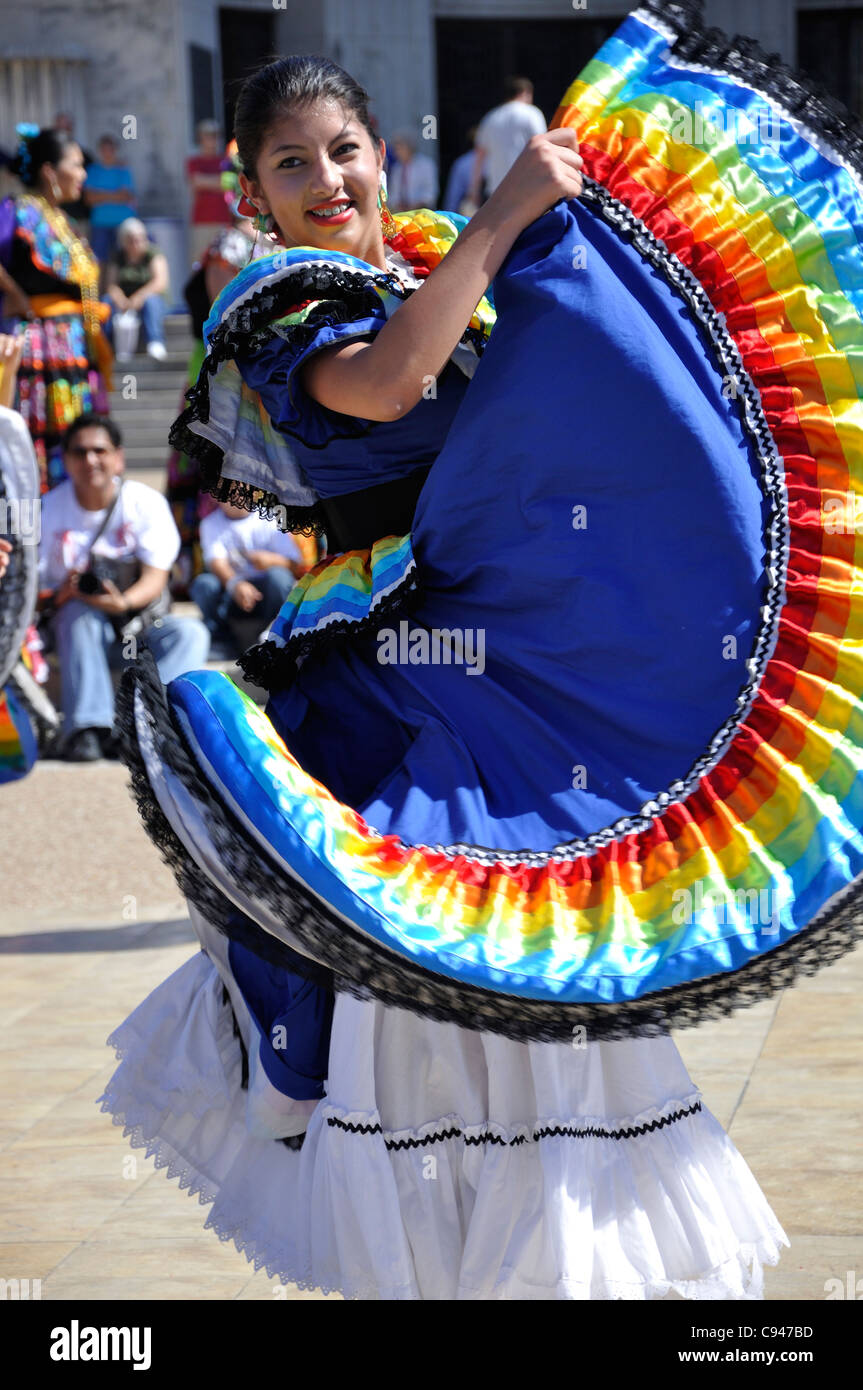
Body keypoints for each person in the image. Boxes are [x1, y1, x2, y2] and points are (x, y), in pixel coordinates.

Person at [100, 6, 863, 1298]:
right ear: (253, 188)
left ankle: (545, 1260)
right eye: (291, 162)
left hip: (504, 636)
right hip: (406, 667)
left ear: (378, 153)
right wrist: (506, 221)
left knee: (535, 952)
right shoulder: (282, 300)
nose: (327, 178)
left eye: (342, 149)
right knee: (450, 935)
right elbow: (389, 386)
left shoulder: (420, 257)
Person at [37, 412, 210, 761]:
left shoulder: (145, 503)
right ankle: (89, 728)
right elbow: (33, 593)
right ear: (66, 460)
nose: (91, 460)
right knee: (78, 614)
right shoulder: (47, 509)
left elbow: (155, 578)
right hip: (76, 636)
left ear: (118, 457)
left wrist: (122, 601)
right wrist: (64, 594)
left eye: (100, 451)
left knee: (191, 633)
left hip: (136, 627)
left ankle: (153, 725)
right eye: (79, 452)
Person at [0, 126, 112, 491]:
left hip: (74, 346)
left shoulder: (63, 220)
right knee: (38, 433)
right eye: (77, 165)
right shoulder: (16, 211)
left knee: (77, 434)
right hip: (38, 349)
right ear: (50, 171)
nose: (83, 175)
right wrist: (13, 292)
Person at [191, 501, 306, 659]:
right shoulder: (210, 523)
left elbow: (294, 563)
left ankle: (275, 635)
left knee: (279, 577)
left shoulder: (271, 518)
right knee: (204, 584)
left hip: (267, 593)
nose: (235, 494)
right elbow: (216, 562)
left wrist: (271, 560)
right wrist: (235, 584)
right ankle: (221, 641)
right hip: (231, 594)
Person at [468, 76, 547, 208]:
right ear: (525, 93)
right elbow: (543, 147)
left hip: (495, 191)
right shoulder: (532, 114)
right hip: (526, 188)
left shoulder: (491, 117)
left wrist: (473, 191)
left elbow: (479, 158)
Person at [103, 218, 169, 361]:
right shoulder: (117, 257)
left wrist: (139, 297)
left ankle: (155, 341)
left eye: (140, 239)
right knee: (106, 302)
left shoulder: (153, 254)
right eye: (132, 240)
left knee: (151, 301)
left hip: (150, 299)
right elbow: (111, 285)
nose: (136, 243)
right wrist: (120, 299)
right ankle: (105, 345)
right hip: (125, 302)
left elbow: (159, 282)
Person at [83, 135, 137, 266]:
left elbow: (125, 197)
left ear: (115, 150)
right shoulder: (93, 170)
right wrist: (114, 194)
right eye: (104, 149)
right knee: (98, 263)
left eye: (110, 149)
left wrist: (100, 195)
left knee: (123, 263)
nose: (107, 152)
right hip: (100, 223)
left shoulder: (123, 170)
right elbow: (89, 199)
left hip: (122, 224)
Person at [187, 121, 233, 266]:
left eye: (215, 136)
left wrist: (208, 181)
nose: (213, 139)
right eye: (208, 136)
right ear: (200, 138)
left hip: (223, 220)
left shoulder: (226, 161)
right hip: (201, 221)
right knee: (200, 264)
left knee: (225, 263)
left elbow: (230, 184)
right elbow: (196, 182)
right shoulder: (193, 161)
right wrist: (219, 182)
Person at [386, 129, 438, 211]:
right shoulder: (397, 168)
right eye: (395, 149)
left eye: (399, 148)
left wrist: (415, 205)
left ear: (409, 147)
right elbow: (393, 194)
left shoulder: (426, 165)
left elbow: (431, 193)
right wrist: (397, 204)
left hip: (423, 212)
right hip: (402, 212)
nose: (396, 152)